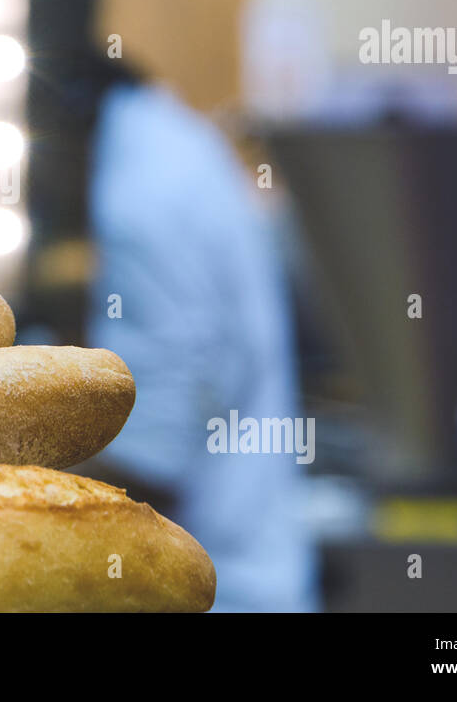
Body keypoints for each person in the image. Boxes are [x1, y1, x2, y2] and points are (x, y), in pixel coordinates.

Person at [85, 68, 317, 612]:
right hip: (251, 566)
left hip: (221, 586)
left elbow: (150, 458)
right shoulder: (178, 145)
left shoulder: (141, 194)